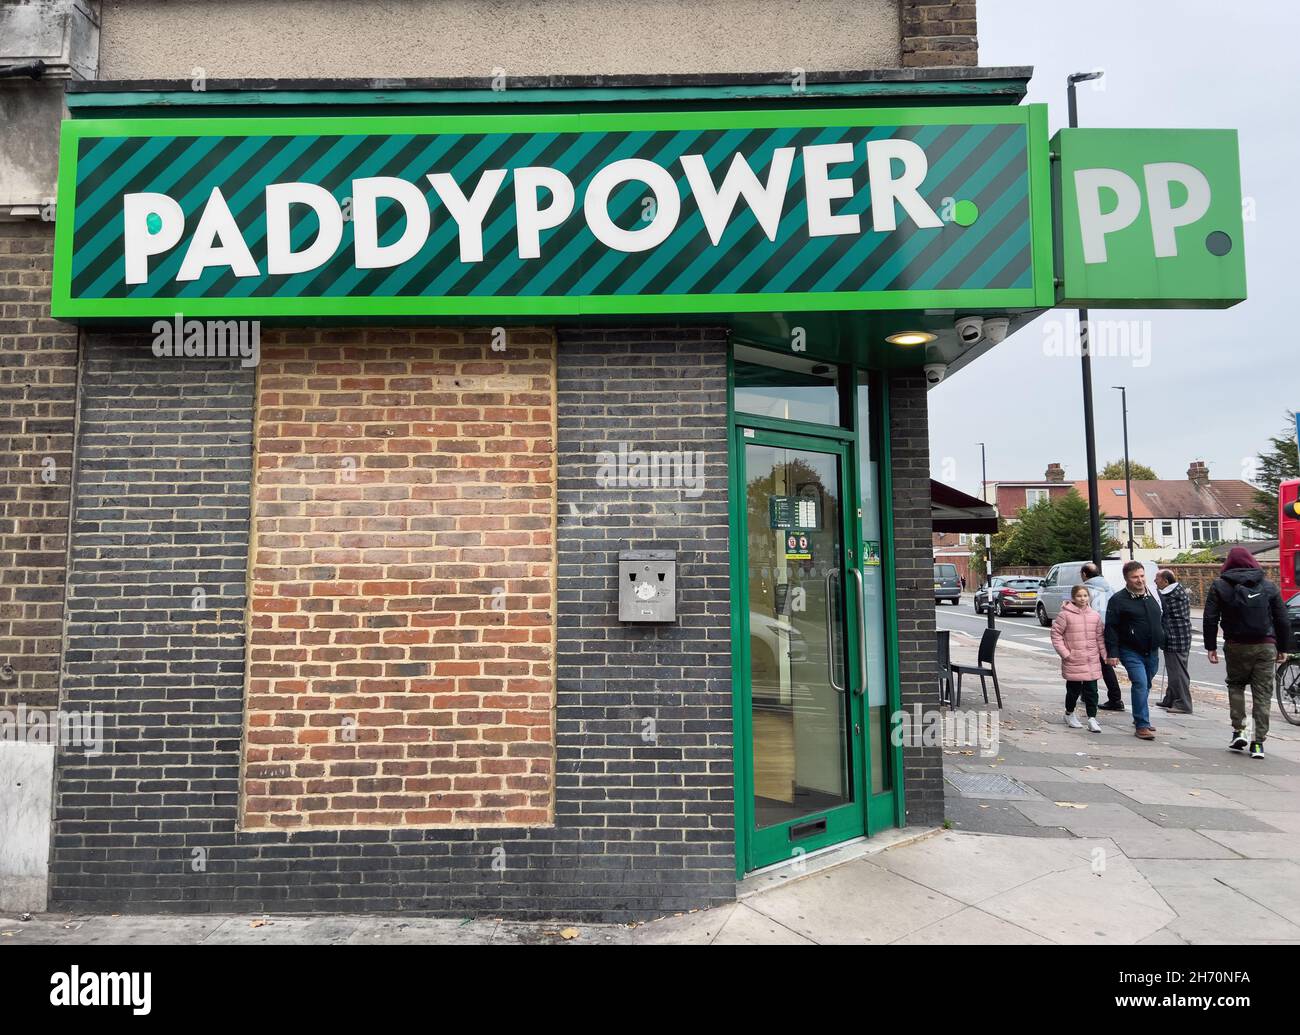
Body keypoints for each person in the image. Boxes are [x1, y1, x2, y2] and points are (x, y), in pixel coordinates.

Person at [1204, 546, 1292, 759]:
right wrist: (1283, 648)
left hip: (1236, 645)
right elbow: (1282, 619)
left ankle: (1239, 730)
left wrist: (1211, 647)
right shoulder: (1268, 586)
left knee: (1236, 686)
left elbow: (1209, 617)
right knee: (1262, 694)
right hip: (1265, 645)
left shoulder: (1220, 585)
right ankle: (1258, 743)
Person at [1104, 560, 1164, 740]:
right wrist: (1112, 653)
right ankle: (1141, 724)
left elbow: (1161, 618)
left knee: (1146, 683)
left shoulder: (1152, 593)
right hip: (1130, 650)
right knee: (1140, 682)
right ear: (1126, 579)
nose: (1140, 580)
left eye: (1142, 576)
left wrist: (1164, 637)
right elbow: (1111, 627)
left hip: (1152, 650)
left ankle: (1141, 714)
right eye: (1135, 577)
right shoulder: (1118, 600)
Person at [1050, 585, 1106, 732]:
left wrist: (1104, 655)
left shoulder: (1095, 615)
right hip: (1073, 659)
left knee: (1092, 691)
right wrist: (1065, 653)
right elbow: (1056, 635)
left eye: (1085, 596)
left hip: (1091, 659)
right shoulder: (1065, 615)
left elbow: (1100, 637)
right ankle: (1069, 713)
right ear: (1073, 598)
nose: (1083, 599)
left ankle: (1092, 718)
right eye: (1079, 596)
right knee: (1073, 690)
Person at [1081, 562, 1125, 711]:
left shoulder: (1086, 590)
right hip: (1110, 630)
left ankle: (1113, 698)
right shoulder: (1110, 588)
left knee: (1090, 662)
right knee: (1104, 664)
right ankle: (1112, 697)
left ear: (1085, 575)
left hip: (1092, 630)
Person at [1155, 569, 1193, 713]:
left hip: (1176, 636)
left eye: (1157, 579)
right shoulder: (1176, 590)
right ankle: (1170, 698)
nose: (1154, 582)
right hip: (1177, 636)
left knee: (1178, 672)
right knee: (1174, 670)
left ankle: (1183, 703)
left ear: (1165, 581)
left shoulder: (1172, 594)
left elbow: (1159, 600)